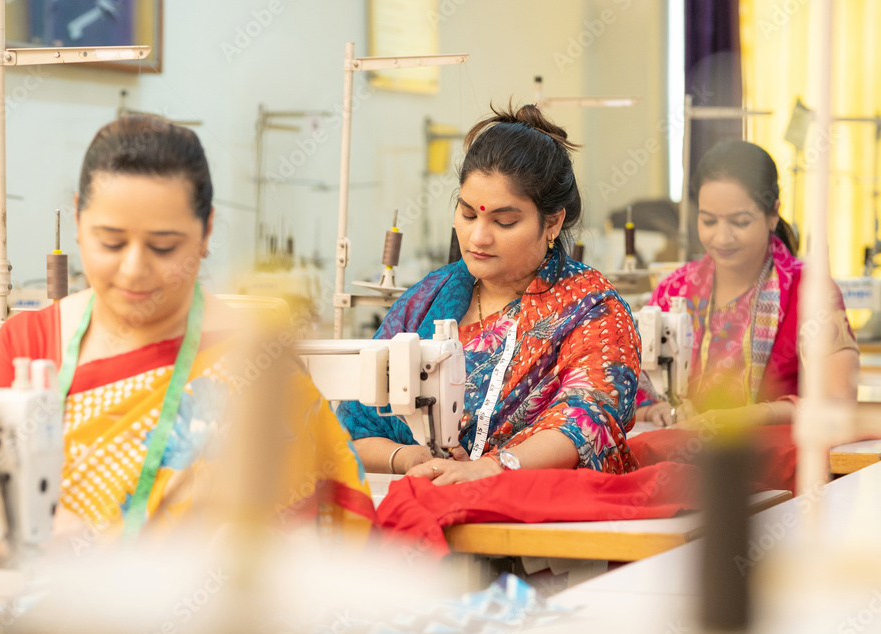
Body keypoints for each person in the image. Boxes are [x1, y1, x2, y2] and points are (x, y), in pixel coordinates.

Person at [0, 116, 373, 557]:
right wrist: (4, 534)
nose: (134, 269)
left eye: (163, 247)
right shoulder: (25, 345)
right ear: (79, 219)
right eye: (110, 242)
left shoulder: (254, 362)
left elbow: (319, 543)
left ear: (207, 232)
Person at [337, 103, 641, 485]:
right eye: (467, 215)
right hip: (419, 519)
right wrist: (406, 457)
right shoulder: (427, 300)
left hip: (541, 533)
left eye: (504, 221)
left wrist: (491, 468)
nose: (478, 237)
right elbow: (350, 429)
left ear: (553, 222)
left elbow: (588, 418)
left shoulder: (591, 308)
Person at [635, 140, 859, 429]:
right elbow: (628, 392)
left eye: (740, 222)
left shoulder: (810, 292)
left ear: (773, 214)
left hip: (776, 462)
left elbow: (838, 401)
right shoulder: (674, 290)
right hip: (684, 458)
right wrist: (656, 410)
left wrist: (754, 415)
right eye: (708, 221)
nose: (722, 238)